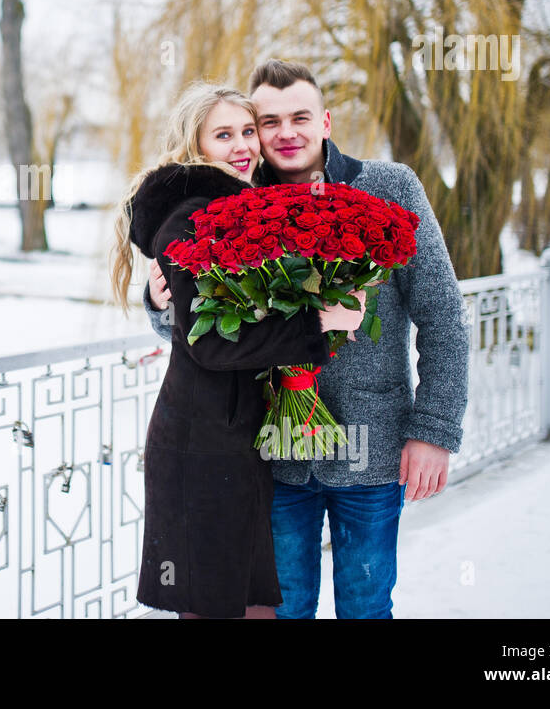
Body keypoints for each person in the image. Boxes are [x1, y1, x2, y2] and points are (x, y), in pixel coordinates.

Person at [142, 60, 469, 619]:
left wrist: (434, 431)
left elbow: (442, 317)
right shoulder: (234, 201)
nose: (284, 132)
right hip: (275, 452)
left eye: (300, 116)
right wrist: (155, 301)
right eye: (267, 121)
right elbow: (202, 330)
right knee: (284, 609)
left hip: (372, 445)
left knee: (366, 607)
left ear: (326, 121)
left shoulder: (389, 187)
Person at [110, 81, 366, 619]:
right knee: (219, 608)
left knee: (248, 605)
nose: (243, 145)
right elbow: (208, 343)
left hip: (234, 442)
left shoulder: (233, 212)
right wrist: (321, 324)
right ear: (194, 144)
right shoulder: (190, 218)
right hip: (201, 449)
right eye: (223, 134)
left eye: (248, 131)